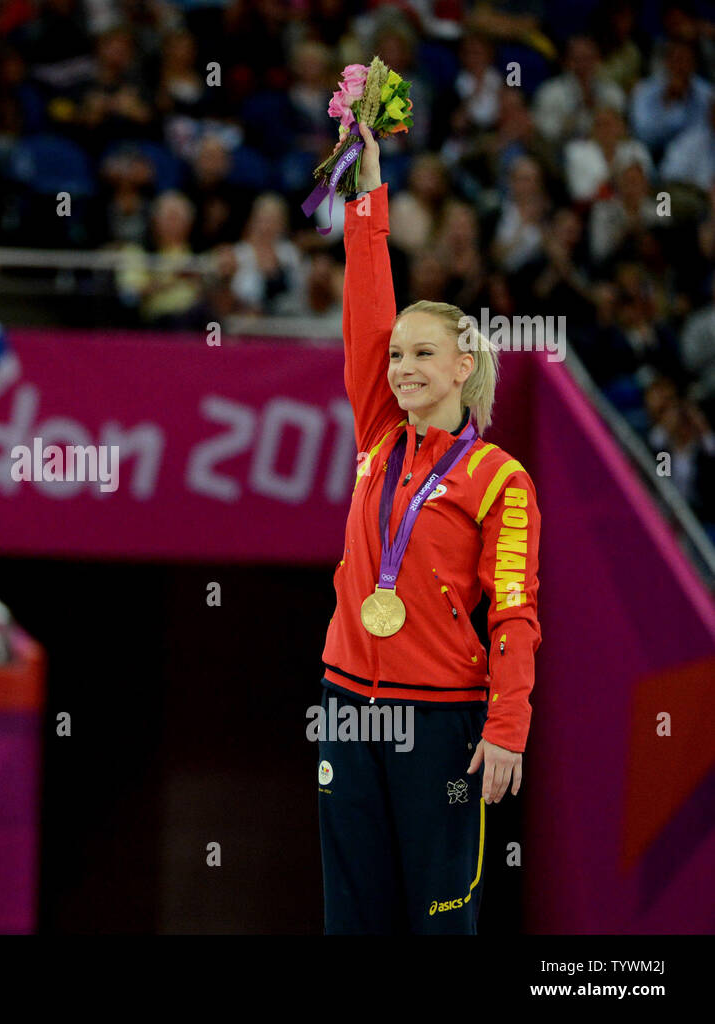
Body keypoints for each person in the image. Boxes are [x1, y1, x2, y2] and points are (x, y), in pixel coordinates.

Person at [316, 123, 543, 935]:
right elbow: (367, 301)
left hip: (442, 721)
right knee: (354, 921)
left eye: (421, 355)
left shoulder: (500, 481)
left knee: (441, 922)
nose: (401, 367)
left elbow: (515, 612)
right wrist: (367, 188)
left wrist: (507, 729)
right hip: (346, 705)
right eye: (396, 356)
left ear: (461, 367)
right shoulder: (379, 432)